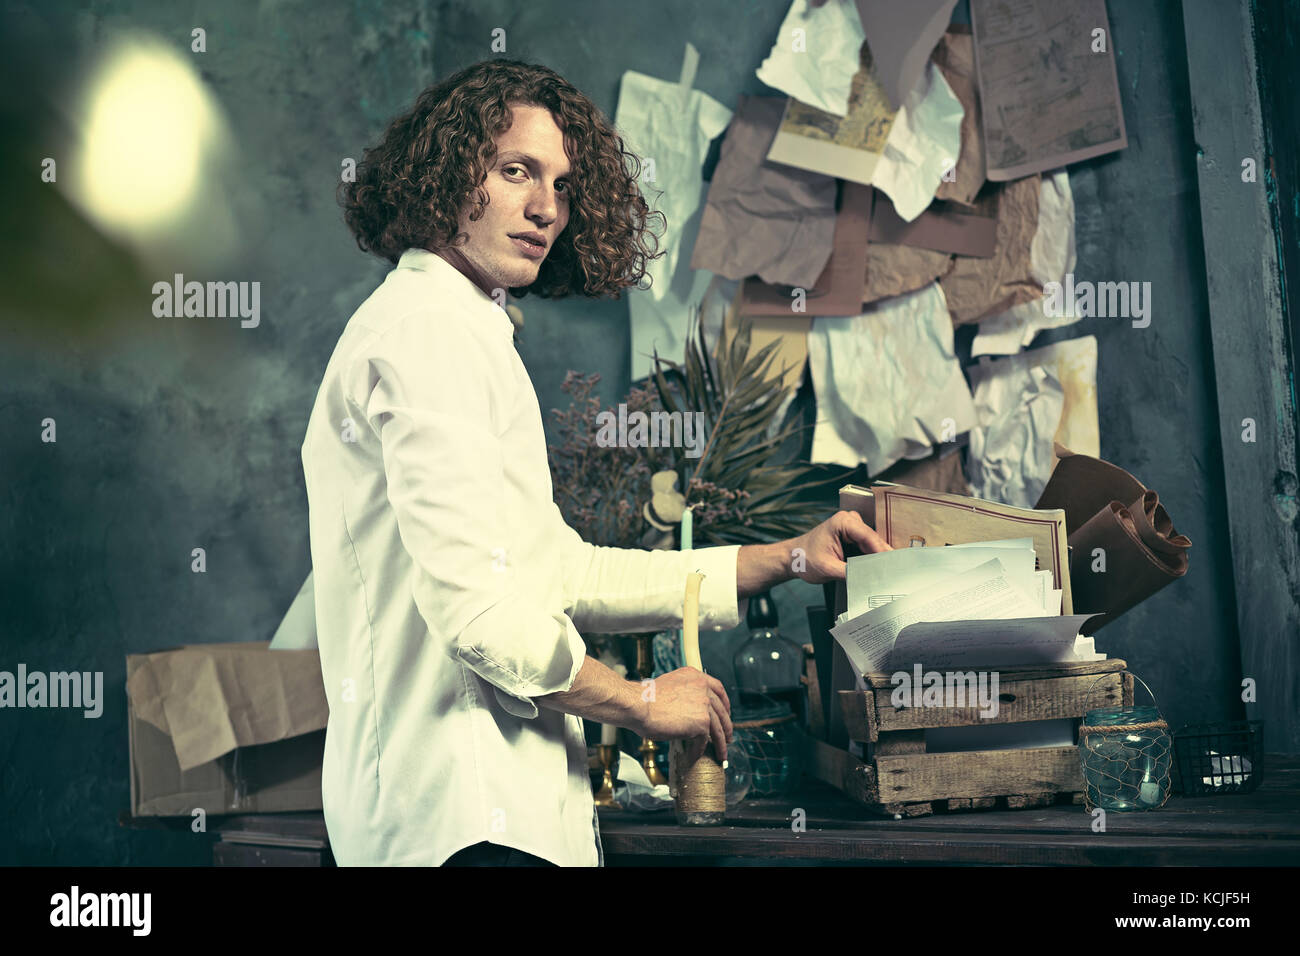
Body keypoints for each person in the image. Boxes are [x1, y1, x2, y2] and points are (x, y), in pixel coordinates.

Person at [301, 58, 890, 867]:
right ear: (442, 177)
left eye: (563, 185)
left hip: (483, 820)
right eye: (516, 171)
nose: (546, 207)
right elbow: (480, 619)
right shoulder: (426, 333)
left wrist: (784, 558)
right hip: (463, 823)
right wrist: (641, 701)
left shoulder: (462, 328)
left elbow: (558, 574)